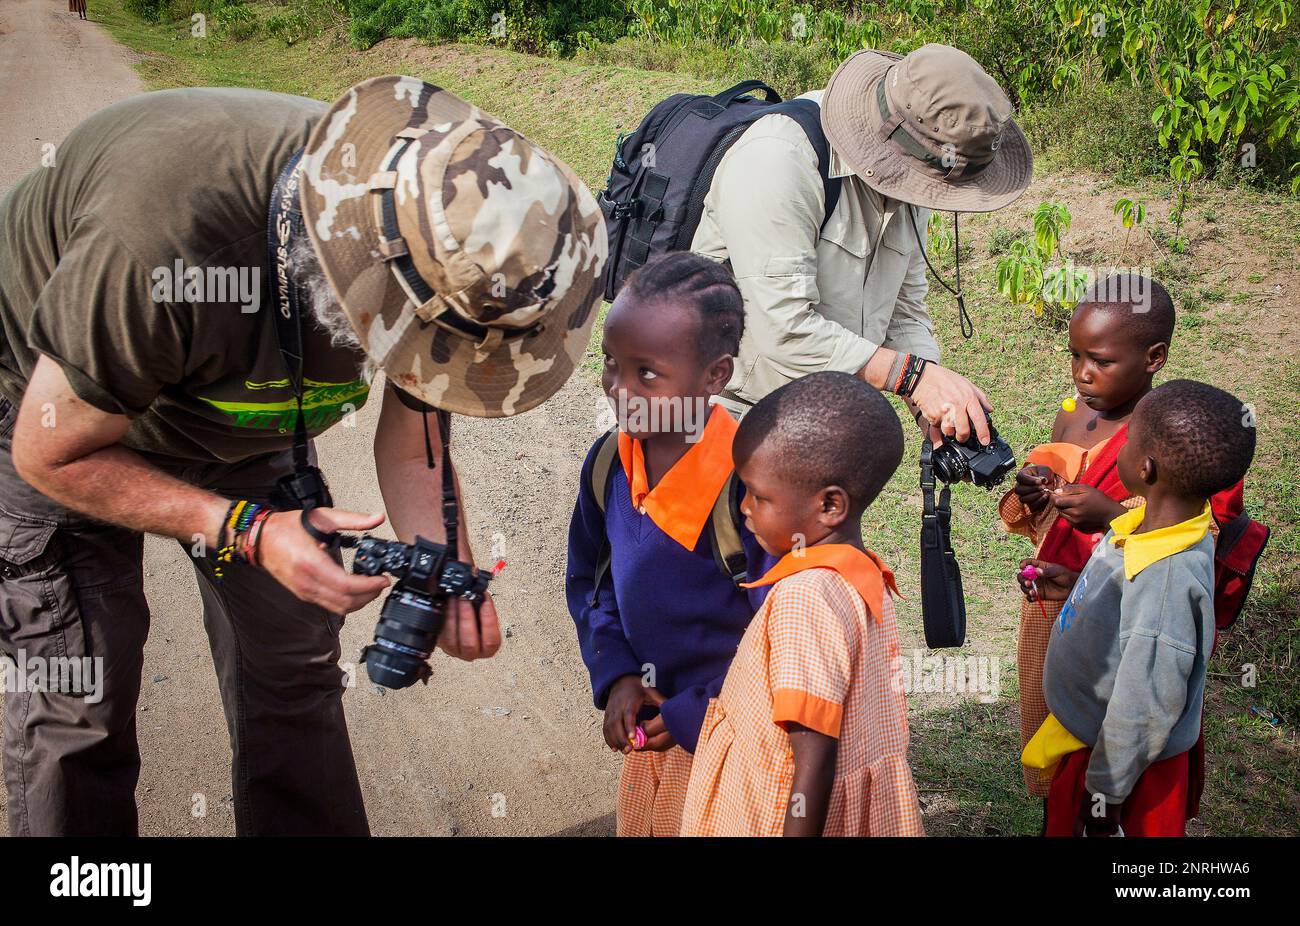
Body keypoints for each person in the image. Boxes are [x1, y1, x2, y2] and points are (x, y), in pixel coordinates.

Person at [0, 77, 606, 835]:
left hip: (231, 416)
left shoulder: (435, 234)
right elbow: (49, 451)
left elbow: (415, 436)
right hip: (54, 408)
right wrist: (248, 532)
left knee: (291, 665)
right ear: (358, 273)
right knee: (81, 696)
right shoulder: (163, 233)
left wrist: (446, 565)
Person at [691, 44, 1032, 447]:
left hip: (828, 413)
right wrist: (913, 377)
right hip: (730, 414)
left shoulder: (921, 172)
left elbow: (904, 308)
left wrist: (930, 400)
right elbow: (783, 330)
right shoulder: (779, 159)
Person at [566, 252, 769, 837]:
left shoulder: (753, 492)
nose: (619, 389)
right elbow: (590, 584)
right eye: (610, 363)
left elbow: (779, 639)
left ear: (716, 375)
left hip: (732, 743)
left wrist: (696, 711)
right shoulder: (608, 463)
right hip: (653, 735)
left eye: (646, 373)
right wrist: (618, 675)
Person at [680, 371, 923, 837]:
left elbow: (813, 757)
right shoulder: (857, 570)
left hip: (773, 815)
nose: (744, 506)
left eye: (759, 494)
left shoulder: (805, 599)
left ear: (830, 506)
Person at [1021, 380, 1257, 836]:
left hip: (1121, 768)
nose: (1119, 447)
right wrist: (1074, 588)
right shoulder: (1150, 528)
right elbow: (1129, 611)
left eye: (1126, 442)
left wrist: (1104, 797)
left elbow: (1144, 703)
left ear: (1145, 468)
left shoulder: (1167, 581)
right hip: (1095, 743)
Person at [999, 275, 1172, 805]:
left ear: (1154, 357)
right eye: (1074, 356)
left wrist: (1107, 516)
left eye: (1100, 360)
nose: (1082, 374)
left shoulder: (1164, 436)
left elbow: (1173, 544)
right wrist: (1033, 494)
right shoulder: (1073, 415)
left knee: (1098, 734)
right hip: (1052, 606)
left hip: (1112, 620)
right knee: (1050, 720)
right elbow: (1041, 519)